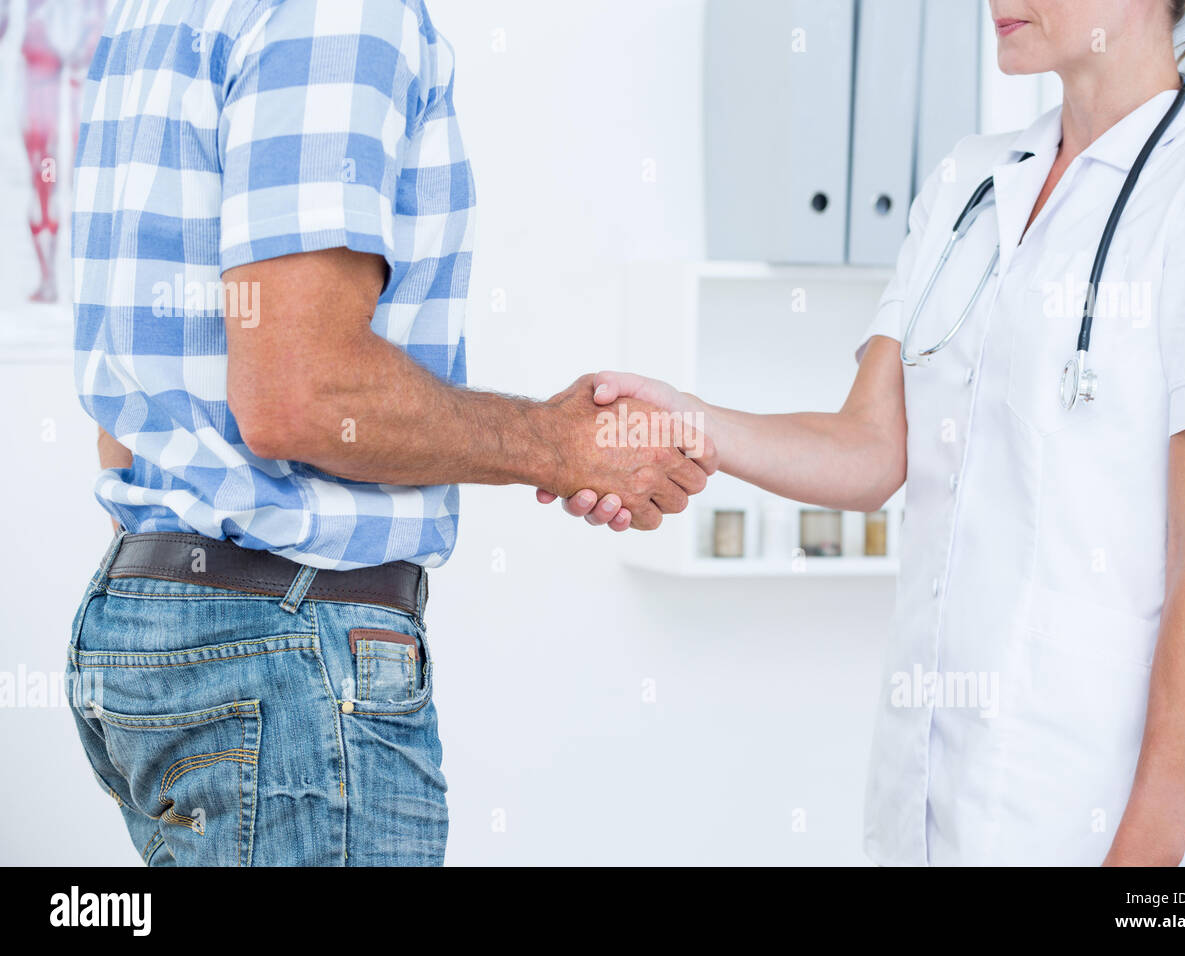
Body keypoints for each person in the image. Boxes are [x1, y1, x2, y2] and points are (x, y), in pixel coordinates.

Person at [552, 0, 1185, 865]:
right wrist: (691, 417)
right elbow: (869, 449)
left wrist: (1146, 852)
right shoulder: (969, 179)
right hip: (922, 803)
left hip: (1085, 812)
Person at [67, 0, 711, 866]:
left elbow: (134, 372)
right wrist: (560, 445)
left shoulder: (150, 12)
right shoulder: (341, 12)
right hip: (288, 663)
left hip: (144, 624)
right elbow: (299, 393)